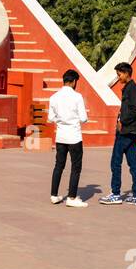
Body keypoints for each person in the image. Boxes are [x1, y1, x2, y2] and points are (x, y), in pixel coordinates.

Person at [101, 61, 136, 206]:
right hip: (130, 131)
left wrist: (123, 121)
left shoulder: (132, 89)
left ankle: (115, 194)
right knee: (133, 163)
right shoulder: (130, 88)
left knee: (116, 162)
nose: (118, 77)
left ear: (126, 73)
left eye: (119, 74)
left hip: (126, 131)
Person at [48, 68, 89, 208]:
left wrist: (61, 120)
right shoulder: (77, 97)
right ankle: (71, 197)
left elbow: (50, 118)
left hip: (60, 136)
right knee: (75, 167)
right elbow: (83, 118)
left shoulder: (54, 97)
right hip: (74, 136)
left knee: (59, 165)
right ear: (73, 82)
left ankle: (54, 195)